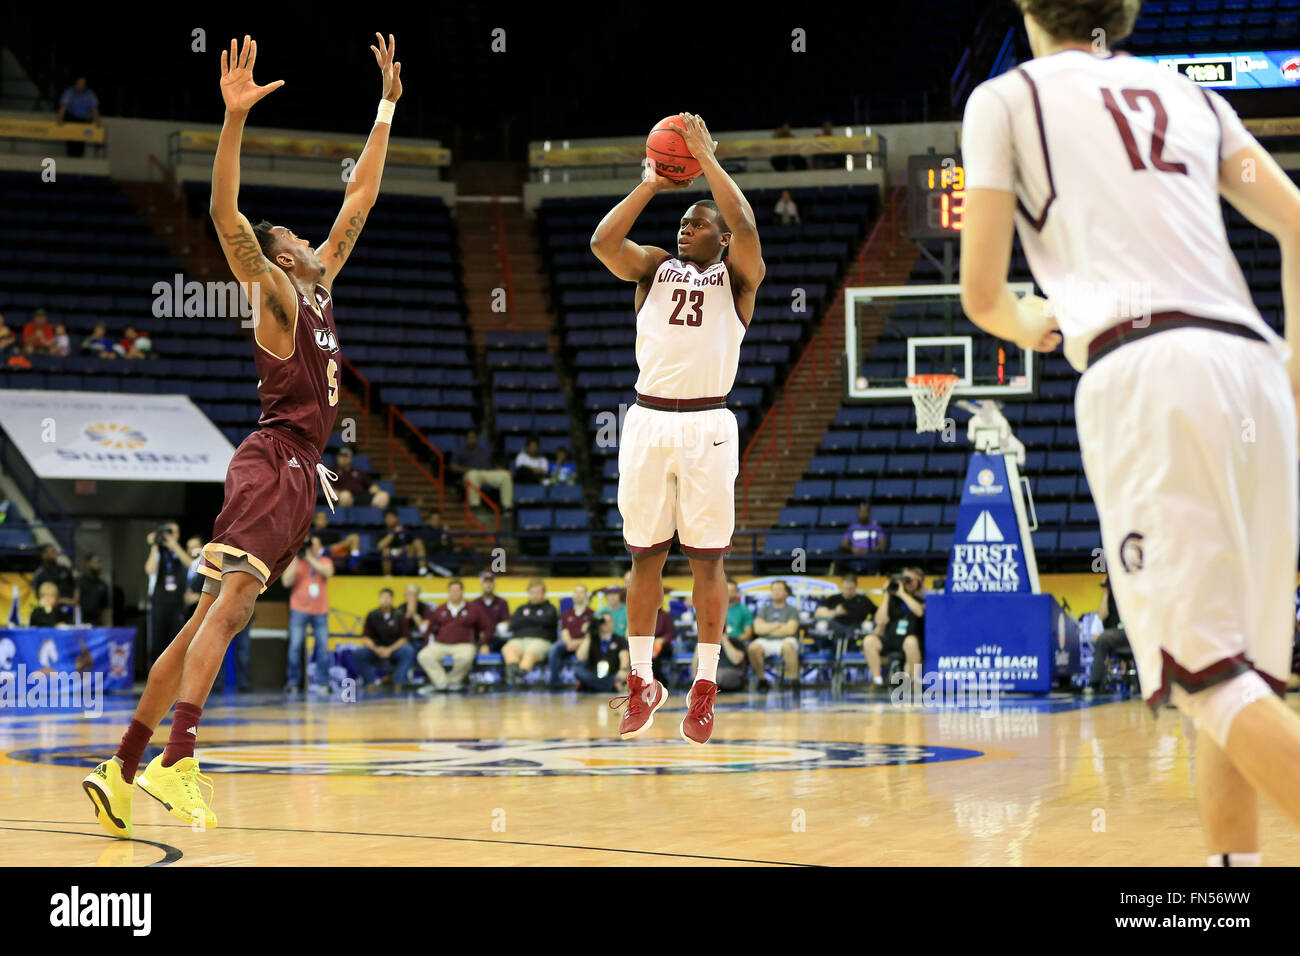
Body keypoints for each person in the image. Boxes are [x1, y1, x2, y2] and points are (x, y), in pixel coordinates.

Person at [960, 0, 1300, 864]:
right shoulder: (1186, 94)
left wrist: (1033, 318)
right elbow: (1296, 220)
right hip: (1254, 366)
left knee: (1206, 677)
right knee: (1235, 676)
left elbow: (982, 295)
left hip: (1147, 367)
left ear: (1029, 8)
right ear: (1128, 10)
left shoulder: (1005, 101)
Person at [82, 33, 402, 839]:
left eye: (294, 235)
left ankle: (121, 767)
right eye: (288, 239)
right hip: (277, 462)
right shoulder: (278, 295)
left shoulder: (320, 282)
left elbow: (359, 198)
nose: (298, 237)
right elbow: (226, 217)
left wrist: (387, 107)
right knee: (230, 612)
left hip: (291, 469)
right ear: (280, 259)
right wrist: (231, 122)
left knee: (200, 623)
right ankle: (179, 758)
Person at [590, 111, 765, 745]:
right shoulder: (654, 268)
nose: (685, 227)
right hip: (646, 420)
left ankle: (705, 686)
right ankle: (642, 682)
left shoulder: (738, 279)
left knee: (708, 563)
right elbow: (603, 244)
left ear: (718, 240)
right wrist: (650, 183)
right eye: (683, 221)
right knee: (644, 558)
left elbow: (743, 223)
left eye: (698, 222)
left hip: (708, 425)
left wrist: (706, 158)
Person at [281, 537, 334, 695]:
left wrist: (310, 558)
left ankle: (323, 683)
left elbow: (328, 573)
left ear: (320, 547)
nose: (311, 547)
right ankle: (293, 683)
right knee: (295, 646)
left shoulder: (324, 560)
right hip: (299, 609)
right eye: (310, 545)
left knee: (323, 647)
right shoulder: (295, 561)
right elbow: (286, 582)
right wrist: (297, 556)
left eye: (314, 544)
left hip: (320, 610)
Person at [416, 579, 487, 693]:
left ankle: (451, 683)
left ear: (462, 592)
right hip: (441, 644)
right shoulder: (440, 609)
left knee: (465, 658)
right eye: (451, 590)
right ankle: (443, 684)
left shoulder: (474, 609)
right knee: (424, 655)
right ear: (448, 592)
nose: (454, 593)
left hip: (464, 644)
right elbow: (430, 629)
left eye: (456, 590)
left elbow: (486, 627)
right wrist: (427, 644)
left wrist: (485, 644)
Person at [868, 568, 926, 691]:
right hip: (891, 639)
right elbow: (880, 620)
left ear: (918, 582)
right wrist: (887, 595)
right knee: (869, 640)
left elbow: (919, 612)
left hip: (911, 641)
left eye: (909, 580)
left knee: (910, 642)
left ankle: (914, 682)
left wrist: (902, 594)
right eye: (904, 580)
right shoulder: (892, 600)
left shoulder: (922, 600)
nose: (906, 583)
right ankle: (877, 681)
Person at [694, 578, 752, 692]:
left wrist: (728, 639)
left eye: (732, 590)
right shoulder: (714, 608)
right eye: (726, 590)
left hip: (735, 643)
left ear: (737, 593)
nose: (729, 593)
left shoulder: (743, 610)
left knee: (718, 675)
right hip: (715, 641)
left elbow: (748, 634)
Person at [143, 522, 189, 665]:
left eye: (173, 532)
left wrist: (174, 545)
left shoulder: (179, 551)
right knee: (157, 642)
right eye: (168, 532)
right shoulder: (158, 551)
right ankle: (155, 676)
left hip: (176, 604)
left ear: (178, 535)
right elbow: (149, 570)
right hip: (158, 603)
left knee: (176, 642)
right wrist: (154, 546)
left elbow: (190, 565)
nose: (170, 535)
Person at [501, 578, 559, 688]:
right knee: (507, 648)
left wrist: (526, 620)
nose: (535, 595)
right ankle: (513, 673)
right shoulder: (521, 608)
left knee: (530, 653)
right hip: (518, 639)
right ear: (528, 593)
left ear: (543, 593)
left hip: (540, 640)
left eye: (537, 592)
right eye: (532, 592)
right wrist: (536, 620)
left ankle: (518, 675)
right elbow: (514, 623)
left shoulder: (550, 608)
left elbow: (547, 620)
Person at [355, 586, 416, 690]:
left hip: (395, 649)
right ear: (379, 599)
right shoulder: (372, 615)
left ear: (392, 599)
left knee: (408, 650)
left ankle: (399, 682)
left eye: (388, 597)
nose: (385, 600)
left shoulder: (400, 615)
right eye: (383, 597)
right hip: (376, 649)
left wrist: (390, 649)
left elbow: (404, 638)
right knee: (358, 653)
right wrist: (376, 649)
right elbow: (365, 637)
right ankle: (370, 682)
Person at [748, 579, 802, 690]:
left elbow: (790, 630)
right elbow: (758, 629)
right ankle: (762, 680)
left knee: (788, 646)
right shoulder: (764, 609)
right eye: (774, 590)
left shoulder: (792, 610)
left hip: (787, 640)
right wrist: (778, 624)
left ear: (786, 593)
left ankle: (795, 680)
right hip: (766, 640)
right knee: (753, 647)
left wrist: (767, 627)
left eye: (779, 589)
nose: (776, 592)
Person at [813, 571, 878, 656]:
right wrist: (835, 612)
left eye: (850, 589)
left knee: (857, 629)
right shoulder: (834, 599)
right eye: (845, 588)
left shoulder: (863, 600)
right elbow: (818, 613)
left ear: (855, 587)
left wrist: (870, 621)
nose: (847, 591)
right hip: (835, 630)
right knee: (824, 623)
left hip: (855, 630)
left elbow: (878, 613)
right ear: (842, 586)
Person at [450, 429, 513, 511]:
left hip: (486, 473)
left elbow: (493, 465)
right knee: (473, 474)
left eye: (473, 438)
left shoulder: (484, 451)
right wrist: (468, 470)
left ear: (477, 439)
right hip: (469, 475)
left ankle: (507, 506)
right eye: (470, 438)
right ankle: (475, 505)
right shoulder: (460, 452)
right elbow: (453, 466)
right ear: (466, 440)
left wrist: (500, 470)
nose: (471, 440)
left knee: (506, 475)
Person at [1087, 577, 1128, 692]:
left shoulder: (1130, 592)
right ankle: (1096, 684)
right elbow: (1101, 616)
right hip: (1115, 638)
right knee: (1103, 638)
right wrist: (1106, 592)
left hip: (1133, 633)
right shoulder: (1109, 600)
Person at [547, 584, 592, 688]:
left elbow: (590, 636)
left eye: (581, 592)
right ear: (573, 595)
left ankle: (582, 682)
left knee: (587, 649)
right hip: (568, 642)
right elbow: (564, 631)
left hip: (583, 643)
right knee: (554, 648)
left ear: (586, 595)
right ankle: (554, 682)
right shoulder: (566, 614)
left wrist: (577, 643)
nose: (578, 595)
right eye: (576, 592)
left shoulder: (591, 614)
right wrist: (569, 642)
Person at [574, 612, 629, 693]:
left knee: (624, 674)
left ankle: (594, 686)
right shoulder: (592, 639)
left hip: (612, 674)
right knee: (577, 670)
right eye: (603, 621)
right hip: (594, 674)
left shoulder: (619, 639)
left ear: (613, 623)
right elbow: (580, 657)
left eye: (608, 621)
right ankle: (610, 685)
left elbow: (624, 657)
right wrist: (588, 635)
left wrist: (623, 669)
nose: (605, 623)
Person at [56, 76, 101, 157]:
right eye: (79, 84)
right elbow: (63, 107)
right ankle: (70, 158)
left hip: (83, 120)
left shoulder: (90, 94)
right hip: (71, 118)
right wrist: (60, 119)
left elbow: (95, 110)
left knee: (81, 143)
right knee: (71, 142)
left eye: (83, 84)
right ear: (75, 84)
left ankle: (79, 159)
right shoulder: (69, 92)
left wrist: (97, 122)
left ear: (85, 85)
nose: (81, 86)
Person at [841, 502, 888, 573]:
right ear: (858, 513)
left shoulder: (876, 527)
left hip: (871, 552)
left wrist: (870, 550)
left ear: (869, 514)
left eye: (864, 512)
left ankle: (871, 578)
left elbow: (882, 545)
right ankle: (839, 576)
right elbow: (844, 543)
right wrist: (853, 549)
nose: (862, 515)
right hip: (854, 552)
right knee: (840, 552)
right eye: (860, 512)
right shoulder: (852, 527)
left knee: (875, 556)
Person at [470, 570, 510, 651]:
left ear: (494, 585)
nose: (488, 585)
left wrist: (489, 632)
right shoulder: (474, 603)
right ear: (481, 585)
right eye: (485, 582)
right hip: (478, 638)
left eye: (490, 582)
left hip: (497, 637)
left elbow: (506, 621)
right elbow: (471, 622)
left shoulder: (502, 602)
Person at [32, 544, 78, 615]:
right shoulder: (40, 573)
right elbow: (36, 594)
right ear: (43, 555)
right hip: (49, 609)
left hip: (68, 607)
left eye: (54, 551)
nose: (54, 554)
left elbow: (75, 586)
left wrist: (74, 600)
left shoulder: (64, 569)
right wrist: (55, 601)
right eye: (50, 552)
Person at [77, 553, 112, 627]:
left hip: (97, 624)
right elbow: (75, 603)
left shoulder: (103, 584)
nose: (99, 565)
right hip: (80, 624)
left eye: (100, 562)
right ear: (87, 564)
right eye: (96, 562)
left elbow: (105, 608)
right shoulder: (78, 582)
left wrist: (106, 626)